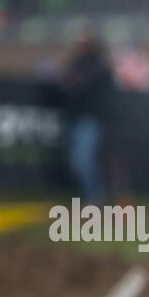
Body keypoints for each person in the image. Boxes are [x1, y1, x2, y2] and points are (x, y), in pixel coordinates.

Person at [59, 27, 114, 203]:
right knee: (78, 162)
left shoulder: (98, 67)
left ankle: (95, 198)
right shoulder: (77, 63)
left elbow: (81, 87)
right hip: (76, 119)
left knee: (83, 161)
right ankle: (93, 197)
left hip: (90, 120)